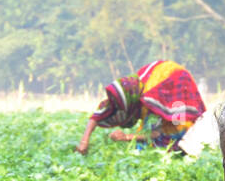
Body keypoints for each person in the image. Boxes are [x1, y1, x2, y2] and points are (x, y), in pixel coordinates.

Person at [75, 60, 207, 154]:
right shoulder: (132, 87)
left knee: (170, 136)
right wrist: (84, 140)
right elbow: (100, 113)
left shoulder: (152, 100)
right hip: (164, 74)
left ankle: (183, 144)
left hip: (177, 86)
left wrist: (126, 137)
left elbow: (156, 133)